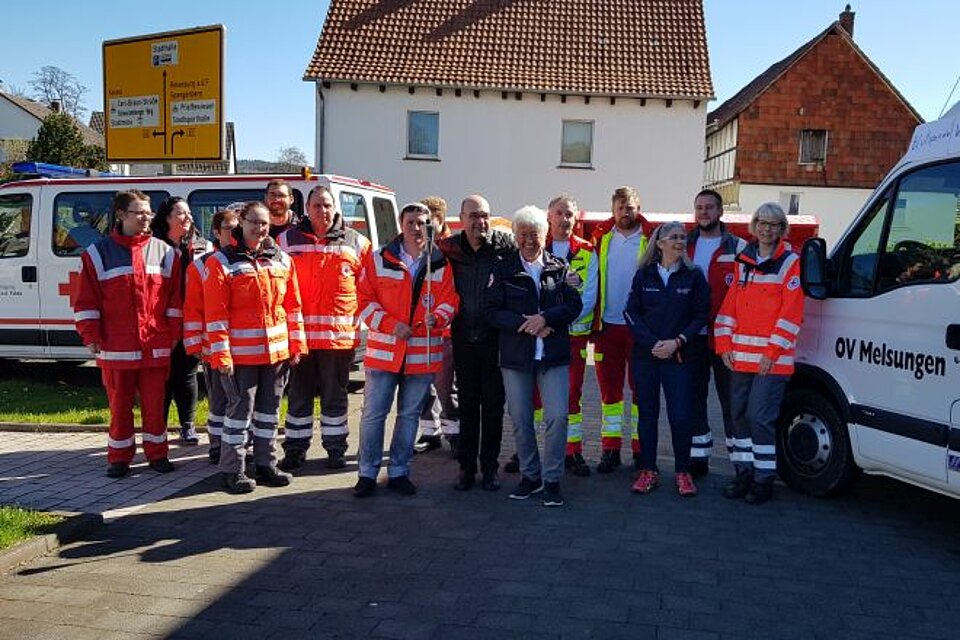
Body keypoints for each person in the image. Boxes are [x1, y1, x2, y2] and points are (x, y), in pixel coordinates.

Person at [73, 190, 181, 478]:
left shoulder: (166, 252)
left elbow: (173, 301)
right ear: (121, 215)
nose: (147, 218)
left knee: (155, 407)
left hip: (154, 344)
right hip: (115, 346)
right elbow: (85, 302)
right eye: (140, 213)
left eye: (149, 213)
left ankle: (158, 454)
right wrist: (91, 335)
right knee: (119, 408)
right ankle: (119, 458)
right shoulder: (97, 254)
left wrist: (172, 335)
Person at [354, 202, 459, 497]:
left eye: (423, 223)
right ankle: (367, 473)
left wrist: (437, 317)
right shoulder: (378, 260)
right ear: (401, 225)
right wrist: (390, 324)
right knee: (374, 414)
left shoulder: (440, 263)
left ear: (432, 226)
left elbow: (451, 301)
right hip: (385, 354)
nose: (417, 228)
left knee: (410, 415)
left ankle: (400, 471)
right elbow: (364, 301)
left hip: (421, 355)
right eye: (411, 222)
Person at [204, 201, 307, 494]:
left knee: (268, 413)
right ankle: (232, 470)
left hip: (275, 355)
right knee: (239, 415)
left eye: (264, 223)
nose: (259, 228)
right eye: (254, 222)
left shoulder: (283, 260)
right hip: (240, 357)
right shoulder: (221, 262)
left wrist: (296, 344)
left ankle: (265, 464)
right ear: (241, 221)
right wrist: (221, 354)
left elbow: (293, 308)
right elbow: (216, 315)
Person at [485, 206, 582, 507]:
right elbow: (491, 311)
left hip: (552, 356)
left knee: (557, 416)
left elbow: (574, 305)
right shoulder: (502, 270)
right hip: (516, 357)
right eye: (523, 234)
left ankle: (552, 479)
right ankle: (531, 476)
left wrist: (546, 319)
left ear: (545, 234)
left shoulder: (561, 266)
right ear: (515, 236)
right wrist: (527, 325)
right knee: (521, 419)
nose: (529, 240)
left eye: (535, 233)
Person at [714, 203, 804, 505]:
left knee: (759, 418)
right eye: (762, 223)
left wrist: (772, 352)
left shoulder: (791, 263)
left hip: (771, 361)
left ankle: (764, 479)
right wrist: (724, 346)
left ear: (782, 229)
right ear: (754, 226)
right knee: (737, 416)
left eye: (775, 224)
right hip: (740, 357)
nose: (768, 229)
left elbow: (791, 314)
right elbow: (729, 309)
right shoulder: (744, 261)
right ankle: (743, 473)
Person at [277, 185, 372, 471]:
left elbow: (368, 289)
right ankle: (294, 450)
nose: (323, 210)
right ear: (307, 209)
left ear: (336, 208)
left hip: (338, 341)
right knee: (298, 397)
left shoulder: (357, 243)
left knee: (335, 398)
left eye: (327, 205)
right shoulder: (286, 240)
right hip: (299, 339)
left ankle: (335, 450)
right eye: (317, 205)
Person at [625, 222, 710, 496]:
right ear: (659, 243)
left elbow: (701, 315)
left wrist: (677, 342)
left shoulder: (694, 276)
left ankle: (683, 472)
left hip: (680, 357)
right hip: (646, 357)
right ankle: (648, 470)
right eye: (674, 237)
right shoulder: (644, 275)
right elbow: (631, 313)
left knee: (681, 416)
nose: (680, 241)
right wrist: (653, 343)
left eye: (683, 237)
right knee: (647, 415)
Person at [439, 195, 516, 492]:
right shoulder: (449, 249)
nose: (478, 222)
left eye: (483, 215)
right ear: (461, 218)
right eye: (472, 216)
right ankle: (466, 468)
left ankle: (490, 469)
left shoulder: (503, 248)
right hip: (462, 340)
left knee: (493, 408)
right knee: (468, 407)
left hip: (494, 341)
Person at [589, 186, 652, 473]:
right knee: (610, 394)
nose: (625, 212)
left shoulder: (652, 239)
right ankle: (610, 449)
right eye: (620, 207)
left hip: (639, 329)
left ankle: (642, 450)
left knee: (641, 393)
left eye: (630, 207)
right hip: (607, 328)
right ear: (613, 210)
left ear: (638, 208)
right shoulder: (600, 239)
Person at [685, 190, 746, 477]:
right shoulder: (684, 244)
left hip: (727, 339)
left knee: (732, 402)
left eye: (709, 207)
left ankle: (741, 463)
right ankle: (699, 457)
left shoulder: (740, 247)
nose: (704, 212)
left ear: (721, 212)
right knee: (694, 398)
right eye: (699, 208)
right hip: (693, 336)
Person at [150, 196, 211, 445]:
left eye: (189, 213)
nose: (188, 218)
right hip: (161, 322)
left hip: (191, 321)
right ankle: (159, 429)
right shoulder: (153, 247)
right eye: (181, 213)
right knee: (162, 376)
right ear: (166, 218)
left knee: (186, 374)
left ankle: (187, 425)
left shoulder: (200, 247)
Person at [182, 206, 240, 464]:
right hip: (213, 347)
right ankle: (216, 445)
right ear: (216, 232)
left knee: (240, 401)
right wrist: (194, 342)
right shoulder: (201, 265)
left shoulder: (246, 260)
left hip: (244, 347)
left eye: (238, 226)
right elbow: (193, 308)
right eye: (229, 228)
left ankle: (239, 444)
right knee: (218, 400)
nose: (235, 232)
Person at [415, 195, 461, 456]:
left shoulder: (451, 248)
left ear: (440, 219)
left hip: (446, 329)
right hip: (421, 330)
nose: (422, 227)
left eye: (428, 220)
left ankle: (454, 433)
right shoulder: (418, 247)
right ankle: (429, 432)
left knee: (445, 386)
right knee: (423, 388)